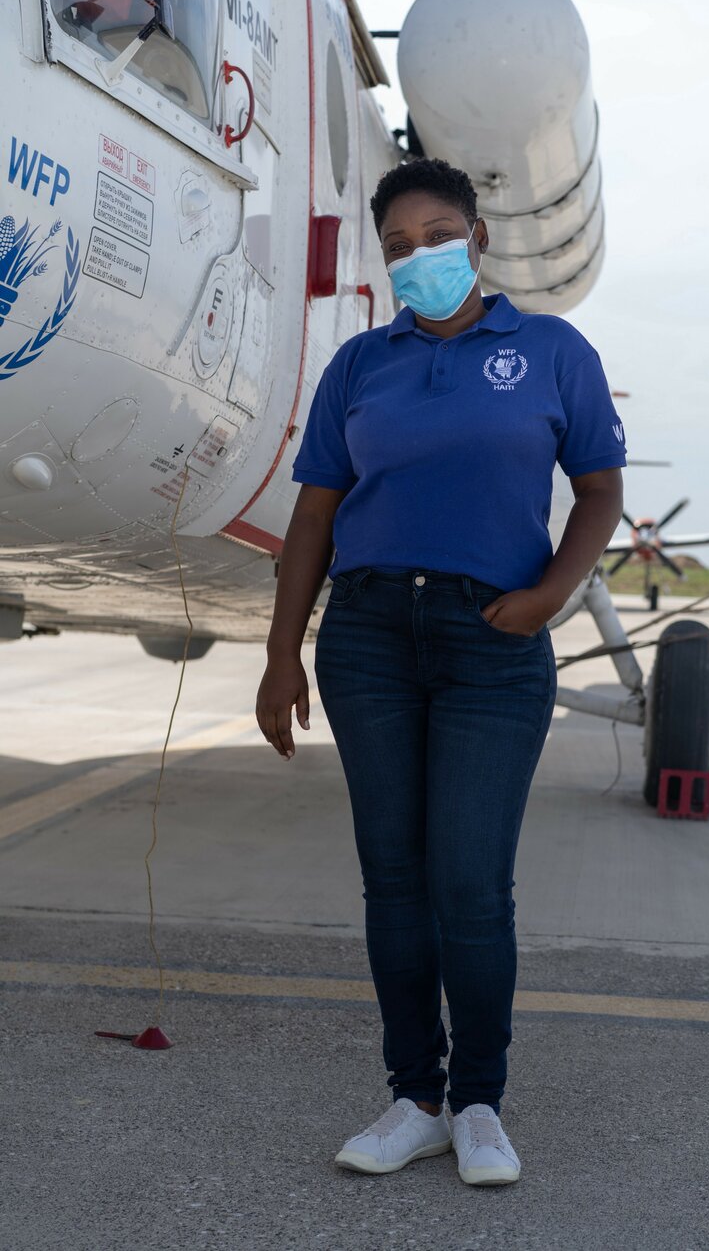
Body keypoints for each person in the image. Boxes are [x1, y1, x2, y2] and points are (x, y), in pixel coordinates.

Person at [256, 157, 626, 1187]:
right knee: (396, 881)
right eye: (398, 246)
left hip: (493, 643)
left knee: (470, 885)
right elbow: (316, 515)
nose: (420, 256)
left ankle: (479, 1105)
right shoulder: (359, 367)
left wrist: (551, 594)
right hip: (368, 638)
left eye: (437, 235)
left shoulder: (552, 350)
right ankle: (414, 1095)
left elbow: (597, 489)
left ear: (479, 237)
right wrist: (283, 653)